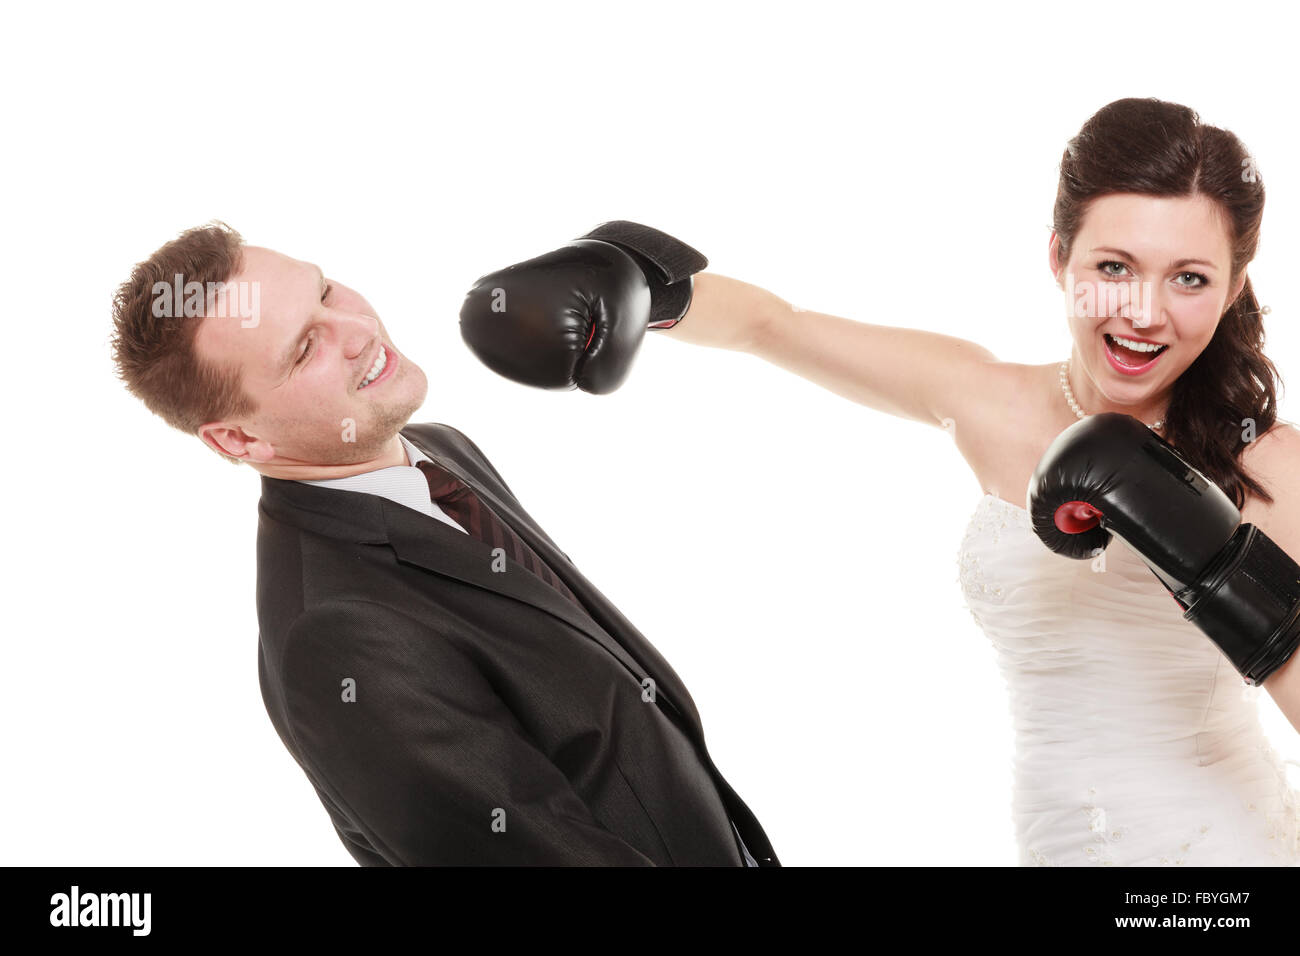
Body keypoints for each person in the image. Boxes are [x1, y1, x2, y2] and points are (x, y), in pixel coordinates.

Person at [459, 97, 1300, 866]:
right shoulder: (985, 400)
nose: (1145, 312)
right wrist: (643, 280)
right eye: (1113, 267)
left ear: (1231, 290)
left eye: (1190, 278)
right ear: (1058, 258)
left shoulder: (1265, 466)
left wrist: (1218, 562)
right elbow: (770, 326)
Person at [108, 222, 778, 866]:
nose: (359, 329)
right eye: (304, 347)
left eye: (325, 290)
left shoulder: (436, 450)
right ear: (240, 440)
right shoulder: (337, 640)